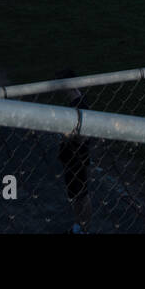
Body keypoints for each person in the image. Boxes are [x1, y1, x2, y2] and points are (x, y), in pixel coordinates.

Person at [55, 67, 93, 233]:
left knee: (81, 194)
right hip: (72, 156)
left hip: (76, 156)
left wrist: (66, 135)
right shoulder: (76, 102)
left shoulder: (79, 104)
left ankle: (84, 228)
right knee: (76, 195)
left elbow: (84, 136)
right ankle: (79, 225)